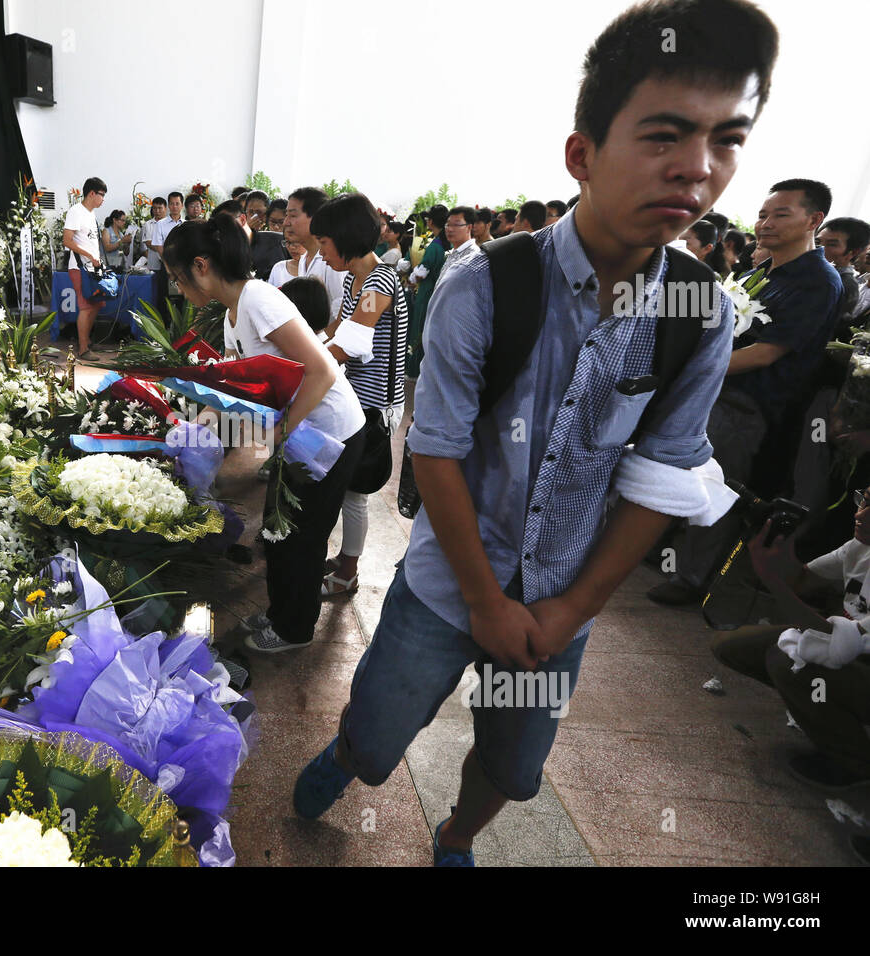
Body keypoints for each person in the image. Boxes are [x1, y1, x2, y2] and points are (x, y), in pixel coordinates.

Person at [294, 0, 777, 866]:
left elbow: (662, 475)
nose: (698, 170)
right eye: (665, 135)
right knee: (378, 738)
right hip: (451, 581)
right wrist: (485, 600)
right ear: (582, 155)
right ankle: (348, 755)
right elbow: (436, 448)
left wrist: (568, 610)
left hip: (561, 598)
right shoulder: (486, 285)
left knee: (514, 772)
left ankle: (455, 835)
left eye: (727, 140)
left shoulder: (697, 313)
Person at [162, 217, 365, 654]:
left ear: (201, 265)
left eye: (178, 277)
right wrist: (197, 423)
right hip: (301, 434)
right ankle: (281, 612)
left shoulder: (258, 300)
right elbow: (247, 384)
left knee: (303, 536)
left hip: (330, 434)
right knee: (282, 533)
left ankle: (295, 628)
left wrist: (282, 429)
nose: (178, 288)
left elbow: (324, 370)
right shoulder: (235, 311)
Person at [650, 180, 845, 606]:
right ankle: (659, 553)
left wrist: (690, 366)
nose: (765, 223)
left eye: (780, 214)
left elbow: (766, 353)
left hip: (748, 404)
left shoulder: (816, 281)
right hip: (715, 389)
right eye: (763, 214)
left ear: (814, 220)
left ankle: (691, 577)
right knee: (674, 472)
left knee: (716, 487)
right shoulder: (762, 271)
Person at [711, 494, 870, 793]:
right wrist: (782, 549)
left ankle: (854, 761)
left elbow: (840, 645)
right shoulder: (859, 547)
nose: (862, 515)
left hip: (855, 654)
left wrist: (772, 580)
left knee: (787, 664)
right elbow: (802, 579)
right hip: (846, 646)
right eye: (865, 501)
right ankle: (828, 712)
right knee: (733, 646)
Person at [311, 193, 410, 598]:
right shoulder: (355, 279)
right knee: (349, 488)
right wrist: (307, 349)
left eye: (324, 243)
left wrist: (306, 367)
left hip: (375, 407)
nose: (321, 254)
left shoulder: (380, 280)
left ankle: (348, 572)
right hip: (356, 399)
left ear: (345, 237)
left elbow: (350, 341)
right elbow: (335, 328)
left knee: (355, 493)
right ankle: (345, 557)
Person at [285, 186, 348, 320]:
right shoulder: (304, 259)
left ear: (316, 217)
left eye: (293, 215)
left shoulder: (333, 263)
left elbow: (342, 318)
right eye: (286, 215)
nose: (286, 222)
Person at [62, 177, 106, 357]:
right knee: (86, 307)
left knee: (96, 305)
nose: (103, 199)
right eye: (101, 195)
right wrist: (88, 256)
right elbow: (67, 241)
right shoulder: (76, 212)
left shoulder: (91, 213)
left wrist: (97, 259)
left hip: (93, 268)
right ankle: (83, 349)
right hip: (79, 268)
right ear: (92, 193)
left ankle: (87, 340)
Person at [408, 206, 453, 378]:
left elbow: (421, 272)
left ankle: (415, 370)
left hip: (426, 293)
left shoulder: (434, 247)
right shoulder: (445, 244)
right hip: (439, 293)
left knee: (419, 329)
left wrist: (412, 278)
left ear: (431, 221)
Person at [211, 198, 286, 281]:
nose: (224, 231)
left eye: (227, 224)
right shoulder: (227, 253)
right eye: (220, 227)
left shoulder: (278, 241)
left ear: (242, 219)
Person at [818, 216, 870, 326]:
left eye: (832, 244)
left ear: (853, 252)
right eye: (817, 242)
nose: (820, 248)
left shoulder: (845, 285)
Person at [267, 225, 305, 289]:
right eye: (288, 242)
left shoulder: (319, 267)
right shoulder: (279, 268)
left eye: (296, 242)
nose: (291, 247)